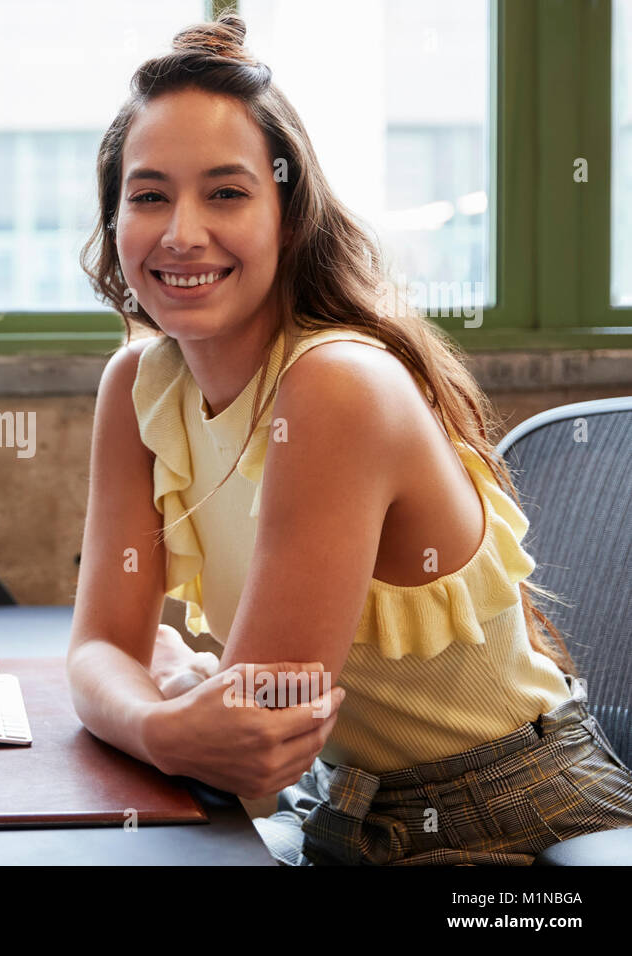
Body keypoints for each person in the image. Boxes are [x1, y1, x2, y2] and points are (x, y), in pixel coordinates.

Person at [65, 11, 632, 865]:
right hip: (343, 805)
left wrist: (177, 697)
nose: (181, 232)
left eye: (226, 192)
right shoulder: (139, 387)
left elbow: (258, 725)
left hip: (515, 819)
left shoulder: (334, 385)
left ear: (289, 219)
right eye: (149, 195)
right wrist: (170, 717)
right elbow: (99, 650)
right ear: (115, 221)